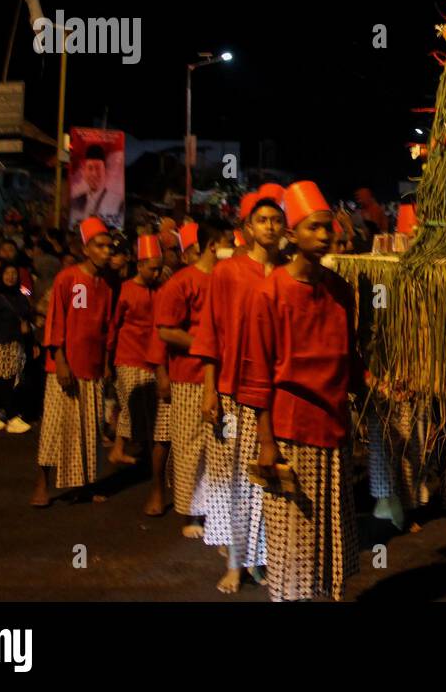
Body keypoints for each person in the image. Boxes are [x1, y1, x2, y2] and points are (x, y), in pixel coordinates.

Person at [244, 181, 363, 601]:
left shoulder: (340, 290)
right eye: (314, 227)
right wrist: (265, 443)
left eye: (328, 227)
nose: (325, 235)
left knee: (328, 543)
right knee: (292, 544)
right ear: (291, 235)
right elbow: (258, 374)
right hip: (291, 432)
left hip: (332, 429)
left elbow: (351, 357)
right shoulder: (269, 292)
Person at [192, 191, 284, 593]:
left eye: (275, 220)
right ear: (248, 228)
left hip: (278, 394)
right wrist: (210, 390)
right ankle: (235, 561)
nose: (269, 225)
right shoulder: (228, 273)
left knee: (270, 481)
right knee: (234, 482)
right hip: (232, 391)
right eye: (261, 219)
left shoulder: (287, 272)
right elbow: (210, 332)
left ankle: (266, 556)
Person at [153, 217, 229, 538]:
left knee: (219, 446)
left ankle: (214, 509)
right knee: (189, 446)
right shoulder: (182, 282)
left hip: (222, 379)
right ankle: (189, 514)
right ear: (213, 245)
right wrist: (204, 344)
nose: (235, 249)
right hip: (188, 378)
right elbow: (166, 330)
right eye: (230, 244)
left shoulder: (228, 280)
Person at [32, 217, 115, 506]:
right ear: (85, 249)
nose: (106, 251)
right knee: (55, 428)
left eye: (108, 246)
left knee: (88, 431)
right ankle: (42, 485)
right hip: (65, 365)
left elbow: (105, 328)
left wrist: (105, 363)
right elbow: (56, 318)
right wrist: (59, 358)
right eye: (100, 246)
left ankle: (86, 484)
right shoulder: (67, 278)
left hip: (92, 367)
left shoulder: (105, 286)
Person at [107, 236, 163, 498]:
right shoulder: (125, 289)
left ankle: (143, 455)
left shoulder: (159, 289)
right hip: (128, 355)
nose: (157, 272)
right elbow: (113, 324)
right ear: (140, 265)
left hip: (149, 357)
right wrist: (107, 359)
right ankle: (119, 448)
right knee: (130, 402)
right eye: (152, 267)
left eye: (159, 267)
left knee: (149, 407)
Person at [0, 264, 34, 433]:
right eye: (7, 273)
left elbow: (27, 318)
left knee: (6, 379)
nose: (11, 277)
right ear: (0, 276)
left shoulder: (21, 296)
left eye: (14, 273)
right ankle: (11, 417)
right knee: (6, 379)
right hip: (2, 343)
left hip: (18, 343)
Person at [71, 143, 124, 224]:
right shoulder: (76, 201)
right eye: (90, 168)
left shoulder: (116, 202)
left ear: (105, 171)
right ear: (84, 171)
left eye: (98, 168)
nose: (94, 174)